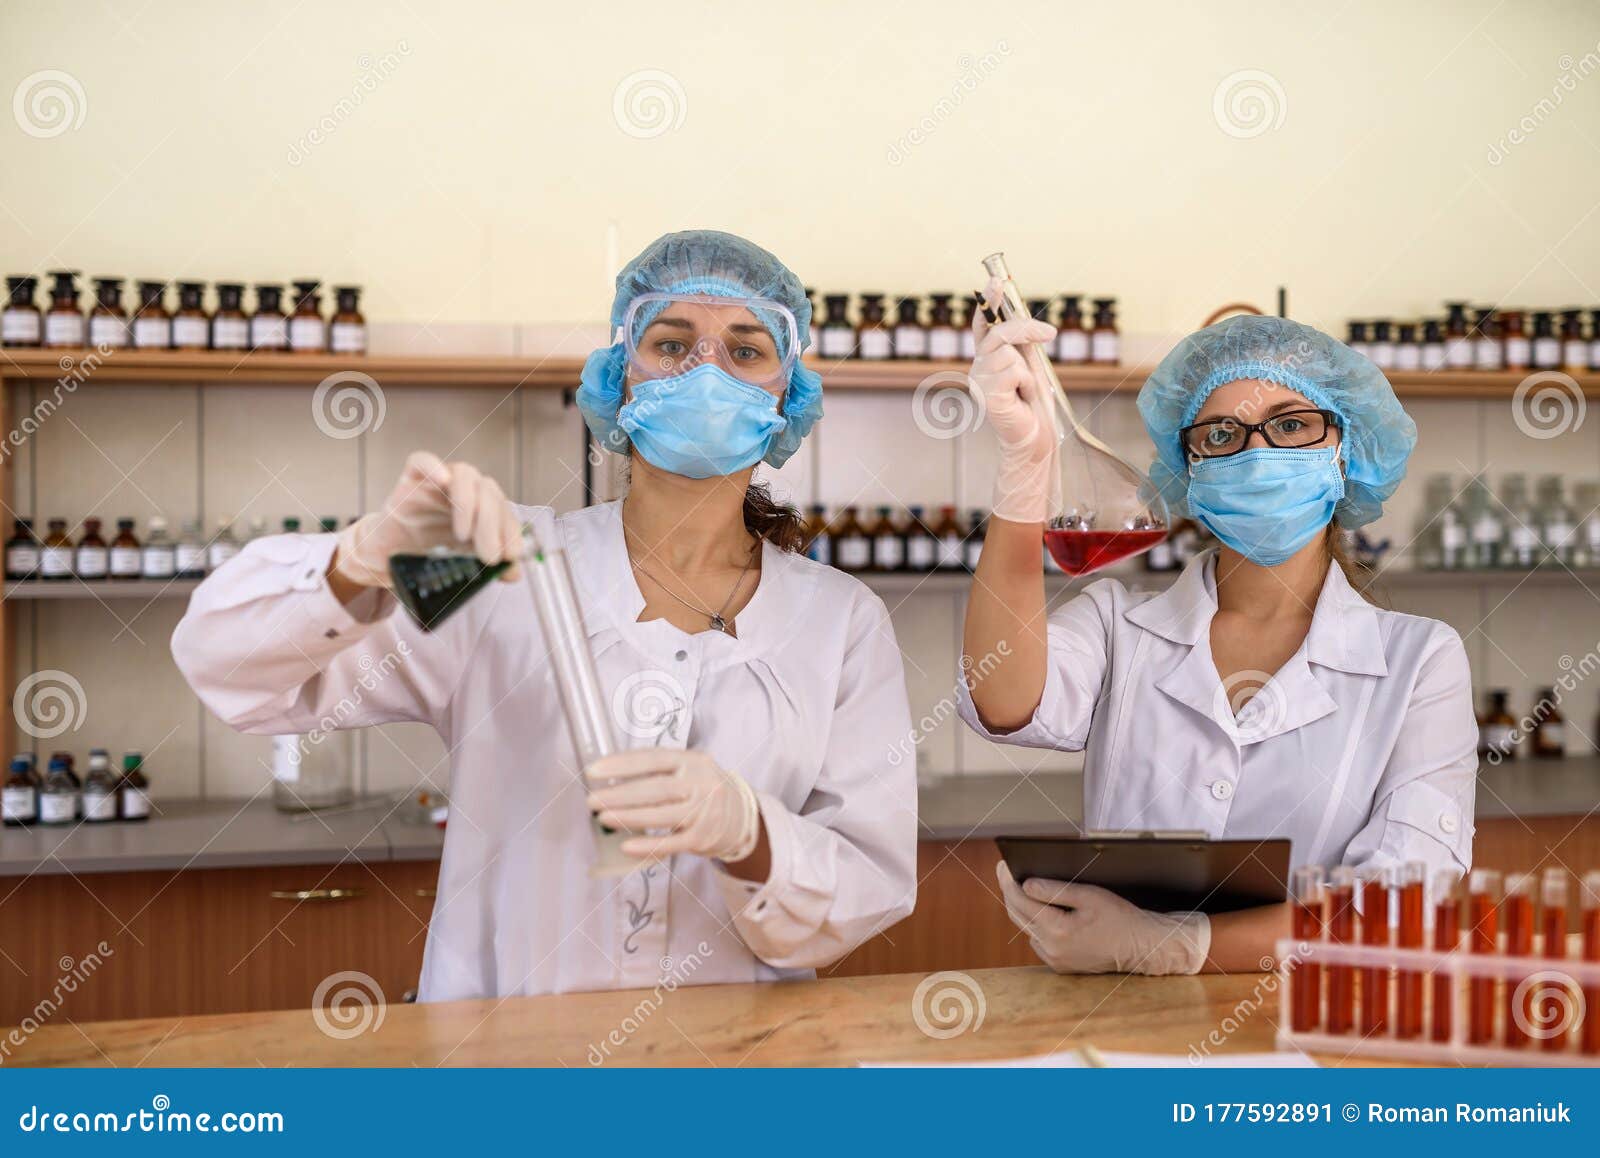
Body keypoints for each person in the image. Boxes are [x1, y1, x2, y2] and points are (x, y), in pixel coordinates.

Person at [171, 230, 917, 999]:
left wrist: (750, 833)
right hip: (506, 1066)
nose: (706, 374)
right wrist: (361, 561)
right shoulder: (500, 565)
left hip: (736, 1065)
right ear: (617, 380)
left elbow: (872, 886)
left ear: (787, 395)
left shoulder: (840, 623)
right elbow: (231, 674)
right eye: (671, 343)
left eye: (746, 351)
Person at [959, 306, 1476, 976]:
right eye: (1223, 434)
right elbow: (1002, 698)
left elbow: (1407, 906)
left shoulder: (1420, 661)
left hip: (1317, 1035)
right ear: (1189, 466)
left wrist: (1171, 947)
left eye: (1291, 425)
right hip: (1122, 1031)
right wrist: (1025, 468)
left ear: (1346, 448)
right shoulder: (1119, 626)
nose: (1258, 454)